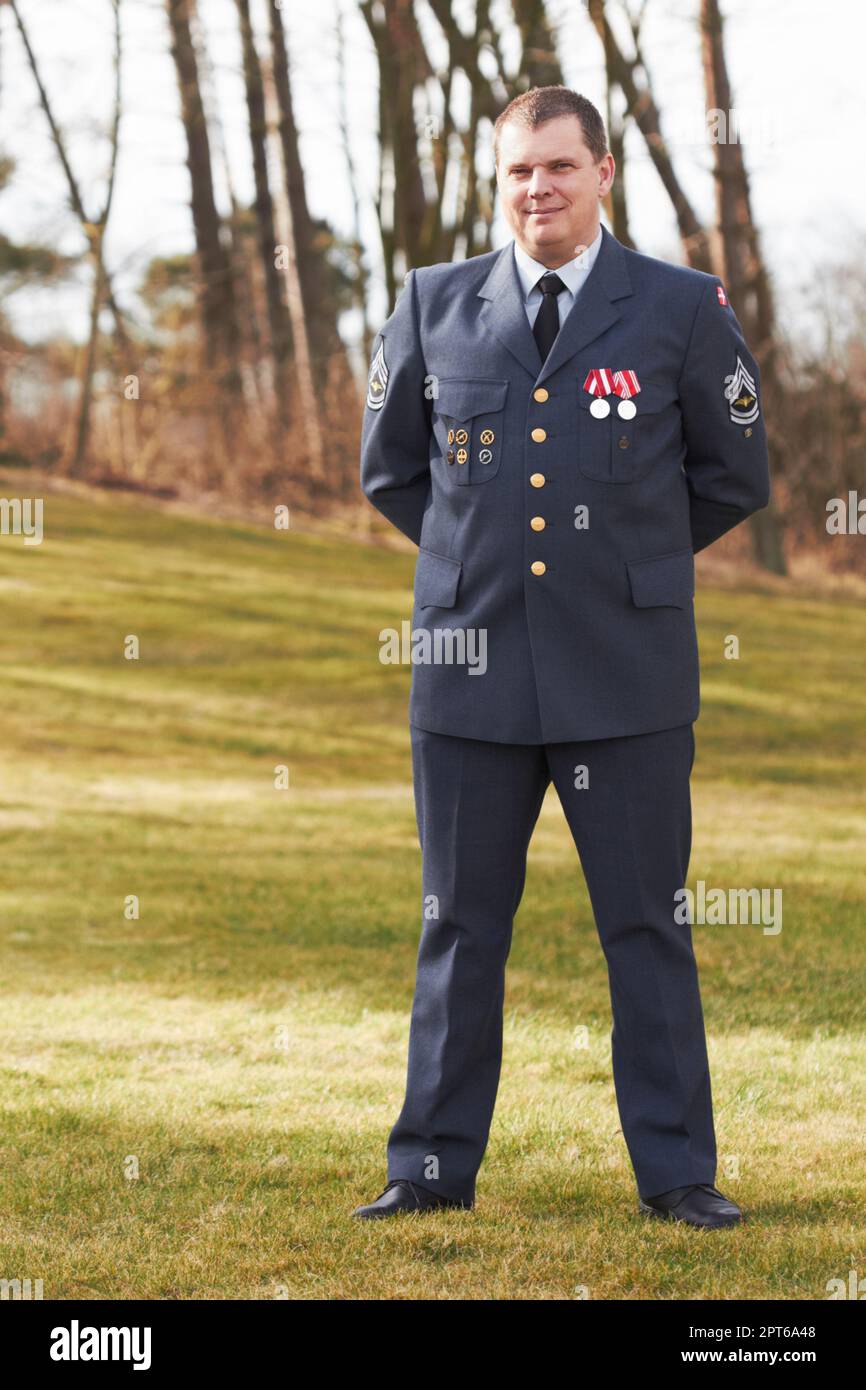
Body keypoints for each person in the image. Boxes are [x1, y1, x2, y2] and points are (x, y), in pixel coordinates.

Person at [356, 85, 770, 1228]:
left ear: (602, 173)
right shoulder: (432, 302)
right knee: (454, 925)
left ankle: (678, 1172)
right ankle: (427, 1167)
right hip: (468, 672)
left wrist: (621, 563)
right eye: (516, 172)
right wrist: (477, 565)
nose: (535, 188)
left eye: (557, 166)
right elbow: (392, 473)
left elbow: (734, 474)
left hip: (624, 679)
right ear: (500, 185)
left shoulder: (679, 309)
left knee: (643, 926)